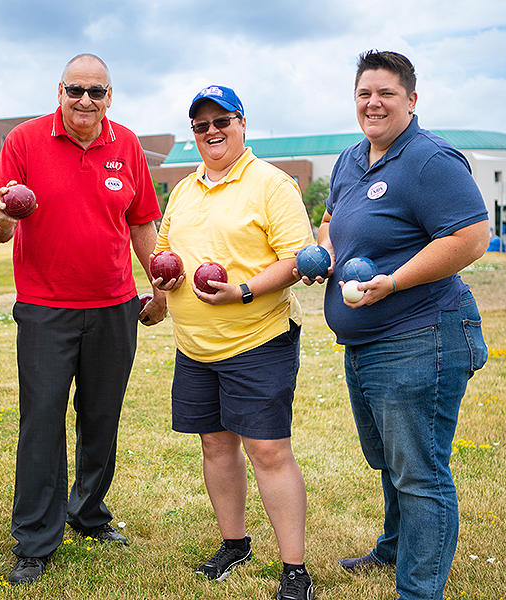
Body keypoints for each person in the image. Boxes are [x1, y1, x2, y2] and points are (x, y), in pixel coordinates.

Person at [308, 51, 490, 600]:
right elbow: (331, 223)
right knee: (388, 460)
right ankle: (393, 548)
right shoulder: (350, 159)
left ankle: (418, 589)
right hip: (365, 341)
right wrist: (326, 257)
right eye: (364, 93)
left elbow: (471, 238)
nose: (373, 103)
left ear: (411, 100)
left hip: (421, 334)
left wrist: (391, 283)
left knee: (420, 472)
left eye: (386, 93)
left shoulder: (431, 160)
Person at [0, 53, 165, 585]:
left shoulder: (126, 144)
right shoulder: (25, 141)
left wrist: (157, 286)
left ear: (111, 95)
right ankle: (35, 540)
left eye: (98, 91)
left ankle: (86, 513)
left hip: (113, 305)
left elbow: (142, 223)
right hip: (45, 307)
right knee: (41, 422)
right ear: (59, 90)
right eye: (76, 90)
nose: (86, 100)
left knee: (101, 419)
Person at [152, 85, 315, 600]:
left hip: (257, 340)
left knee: (268, 451)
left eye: (221, 121)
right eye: (201, 126)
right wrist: (162, 293)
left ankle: (294, 571)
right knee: (216, 446)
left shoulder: (272, 184)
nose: (212, 132)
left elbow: (299, 259)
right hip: (194, 348)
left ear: (242, 123)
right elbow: (163, 255)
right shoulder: (182, 190)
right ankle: (235, 543)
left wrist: (242, 290)